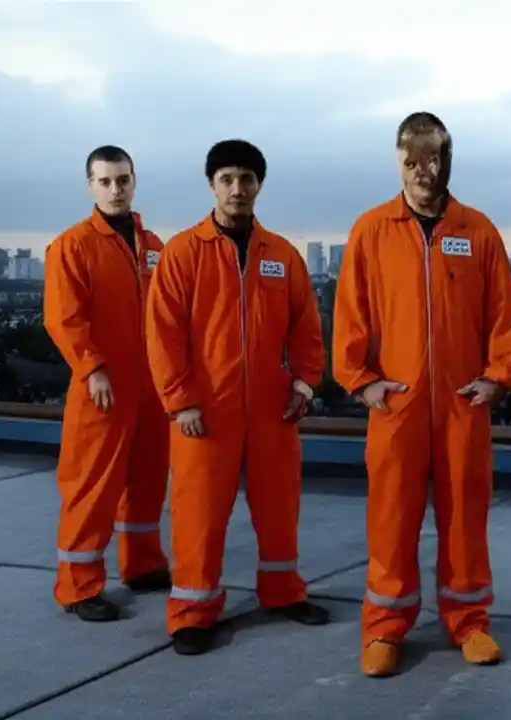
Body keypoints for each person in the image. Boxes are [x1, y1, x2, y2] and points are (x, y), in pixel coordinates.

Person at [332, 111, 511, 677]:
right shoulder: (372, 230)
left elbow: (503, 313)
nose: (423, 171)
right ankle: (384, 627)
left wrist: (498, 376)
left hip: (463, 403)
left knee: (465, 517)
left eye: (433, 159)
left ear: (448, 161)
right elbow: (350, 314)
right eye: (412, 160)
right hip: (396, 404)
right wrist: (362, 381)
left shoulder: (478, 231)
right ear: (398, 161)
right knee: (391, 517)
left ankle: (469, 622)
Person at [145, 139, 331, 655]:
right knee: (198, 514)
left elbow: (306, 326)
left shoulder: (282, 255)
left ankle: (283, 592)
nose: (237, 188)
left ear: (259, 185)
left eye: (246, 179)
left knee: (279, 507)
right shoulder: (184, 253)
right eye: (227, 178)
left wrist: (304, 382)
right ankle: (192, 611)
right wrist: (180, 400)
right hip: (205, 410)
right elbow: (162, 334)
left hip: (273, 407)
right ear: (211, 185)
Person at [43, 144, 172, 622]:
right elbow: (64, 318)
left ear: (134, 181)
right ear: (90, 186)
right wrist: (92, 367)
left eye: (123, 179)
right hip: (101, 385)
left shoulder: (154, 246)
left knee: (147, 477)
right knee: (91, 483)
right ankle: (78, 584)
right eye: (105, 181)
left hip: (151, 384)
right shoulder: (72, 245)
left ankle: (142, 564)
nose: (115, 189)